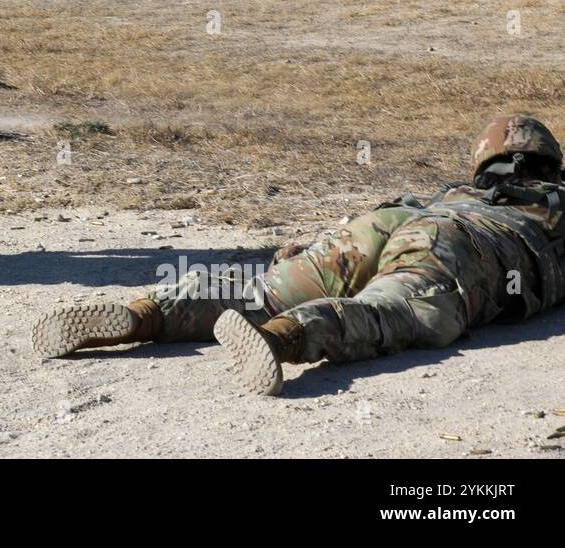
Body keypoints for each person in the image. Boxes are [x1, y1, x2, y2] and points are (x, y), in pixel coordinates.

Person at [32, 114, 565, 396]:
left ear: (481, 164)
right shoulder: (550, 206)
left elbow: (380, 224)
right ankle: (281, 339)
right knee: (394, 308)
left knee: (264, 289)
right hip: (467, 244)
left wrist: (303, 253)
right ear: (550, 164)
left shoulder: (448, 192)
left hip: (387, 223)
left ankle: (143, 314)